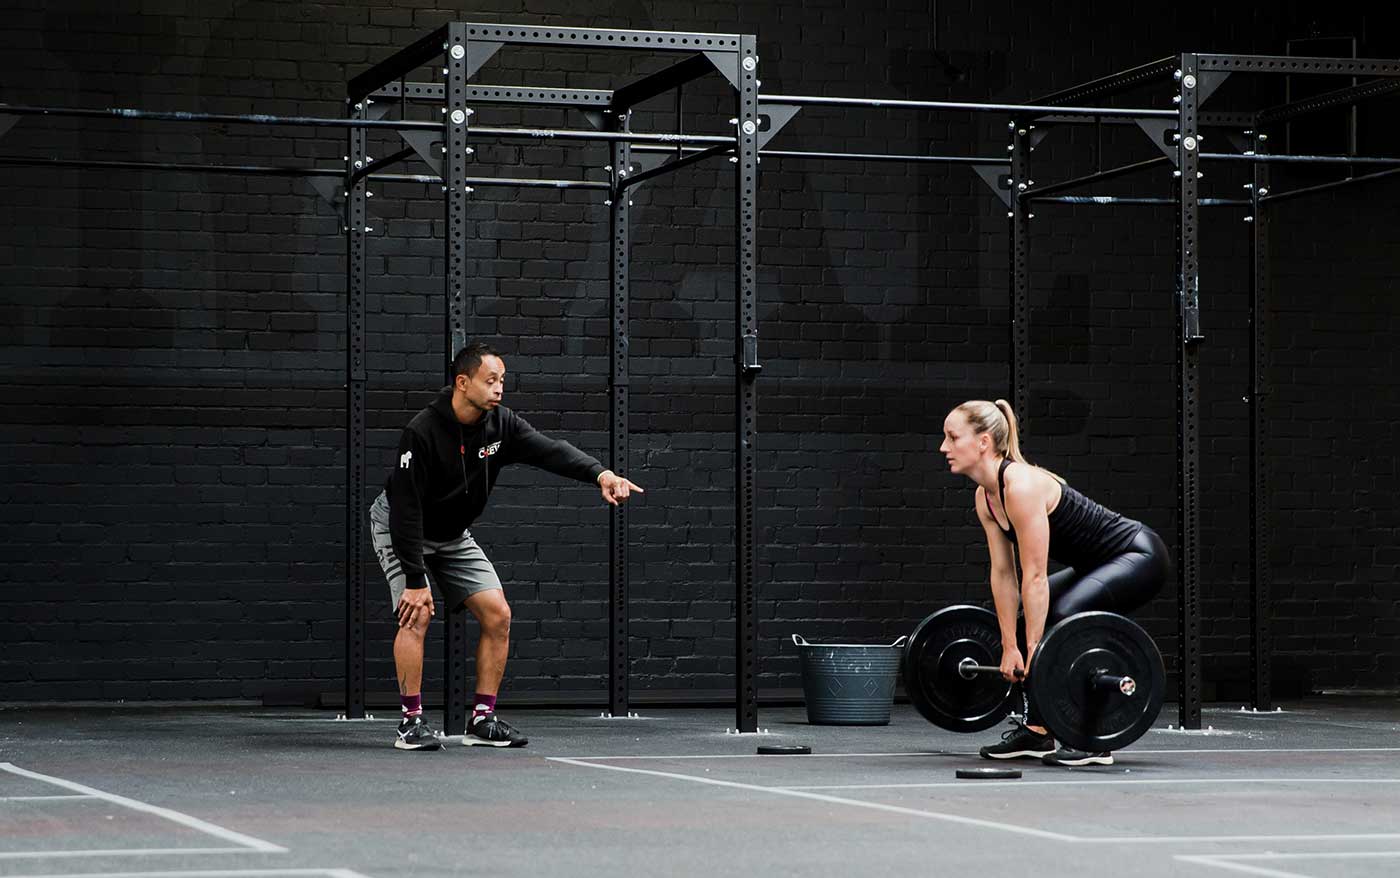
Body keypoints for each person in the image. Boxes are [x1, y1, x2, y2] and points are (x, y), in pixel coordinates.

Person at [370, 342, 643, 751]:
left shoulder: (502, 425)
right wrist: (414, 578)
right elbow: (406, 510)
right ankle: (411, 723)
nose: (499, 389)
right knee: (417, 614)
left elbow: (550, 451)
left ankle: (482, 720)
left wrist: (601, 474)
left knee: (498, 614)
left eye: (502, 381)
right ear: (463, 383)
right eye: (490, 380)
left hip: (453, 534)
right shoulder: (421, 432)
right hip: (402, 527)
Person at [939, 399, 1168, 767]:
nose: (944, 447)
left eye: (953, 437)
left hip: (1139, 556)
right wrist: (1011, 645)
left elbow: (1034, 576)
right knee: (1026, 621)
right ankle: (1039, 731)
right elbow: (1003, 574)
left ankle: (1093, 737)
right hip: (1097, 564)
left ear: (983, 442)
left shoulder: (1021, 485)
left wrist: (1035, 649)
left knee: (1064, 616)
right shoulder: (985, 497)